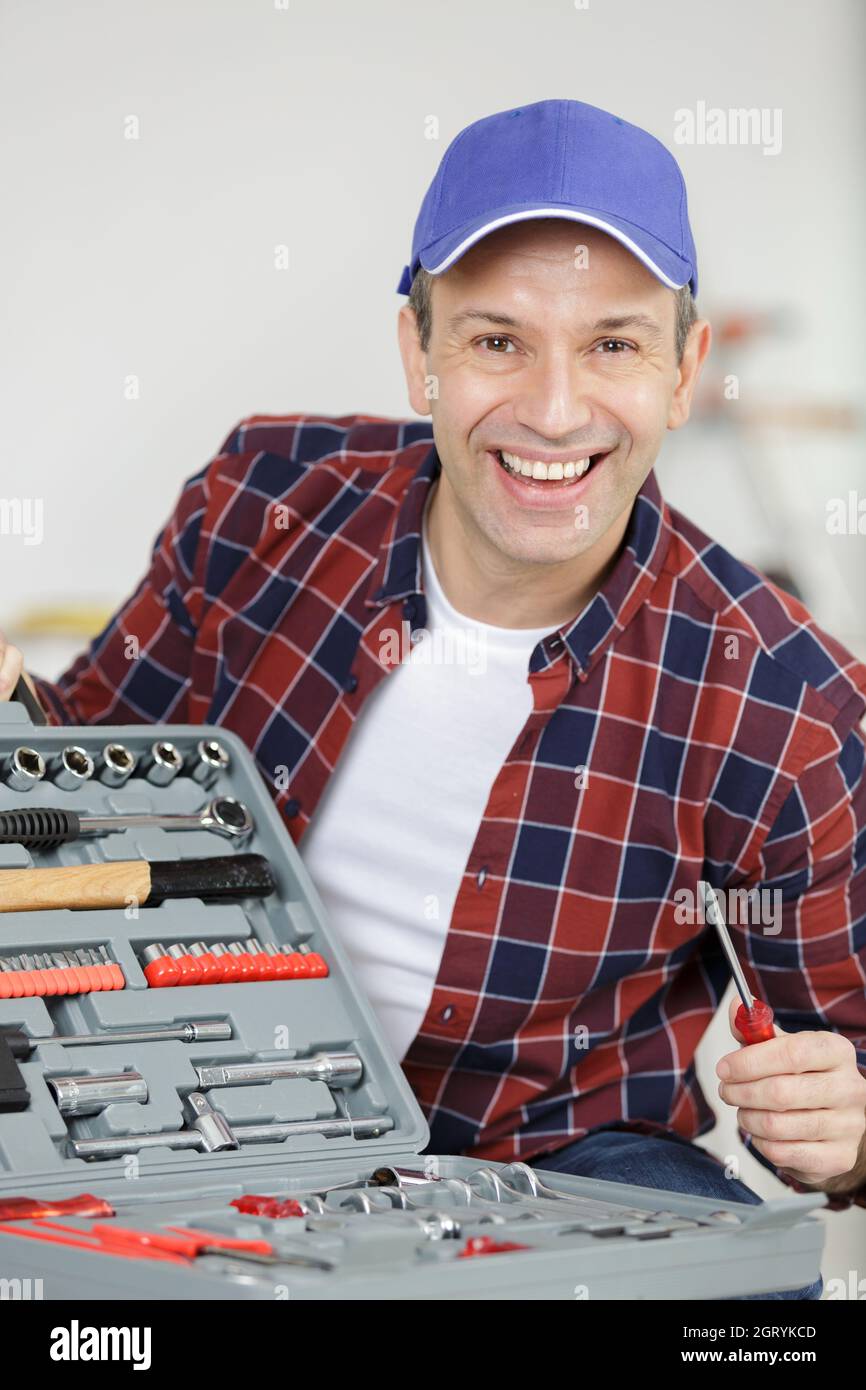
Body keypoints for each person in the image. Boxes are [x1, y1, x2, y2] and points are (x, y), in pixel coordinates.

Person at [3, 99, 865, 1299]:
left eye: (613, 344)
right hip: (210, 1121)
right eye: (496, 341)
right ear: (419, 353)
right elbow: (79, 799)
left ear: (683, 370)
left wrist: (845, 1126)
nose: (555, 412)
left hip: (565, 1154)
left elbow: (853, 1064)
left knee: (756, 1308)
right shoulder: (265, 499)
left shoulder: (787, 703)